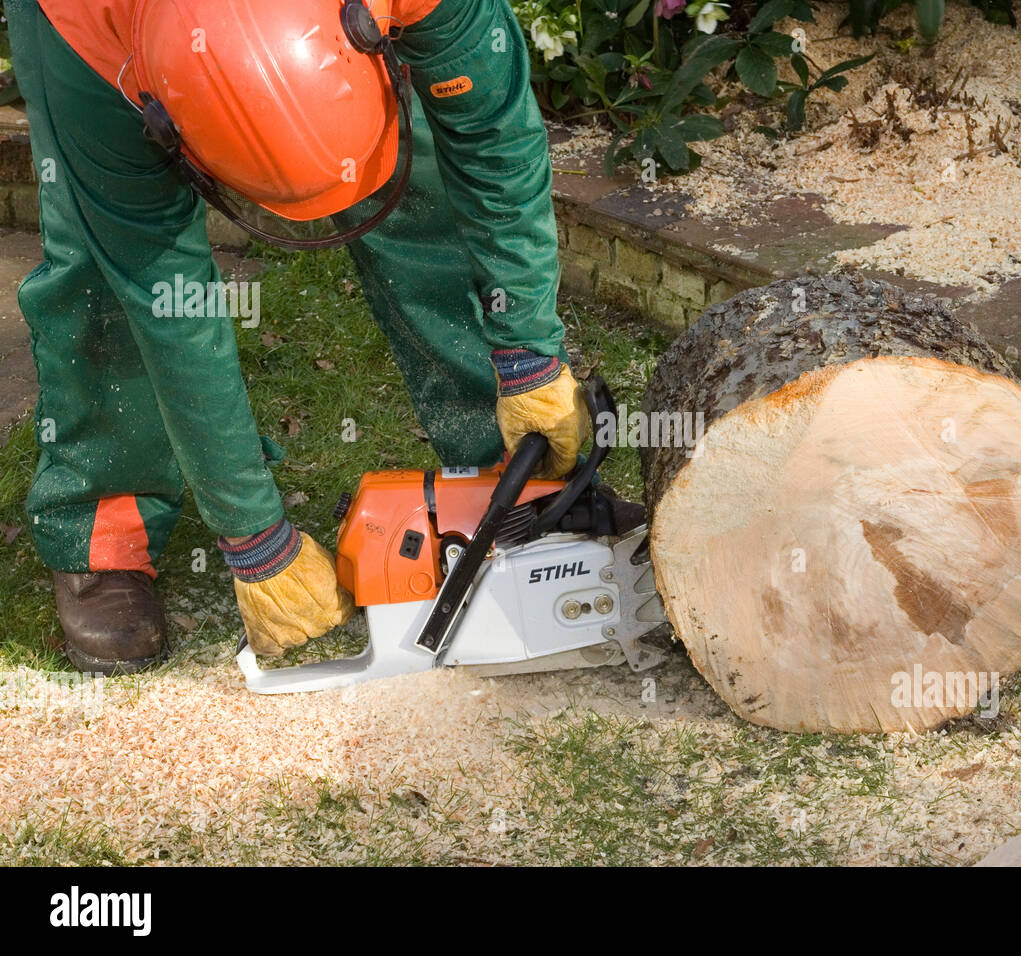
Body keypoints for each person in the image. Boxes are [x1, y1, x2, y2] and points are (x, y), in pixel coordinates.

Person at [8, 0, 593, 672]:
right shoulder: (92, 62)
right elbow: (167, 301)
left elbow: (493, 134)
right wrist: (252, 537)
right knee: (103, 273)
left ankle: (511, 472)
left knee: (418, 162)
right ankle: (104, 529)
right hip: (99, 30)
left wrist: (529, 350)